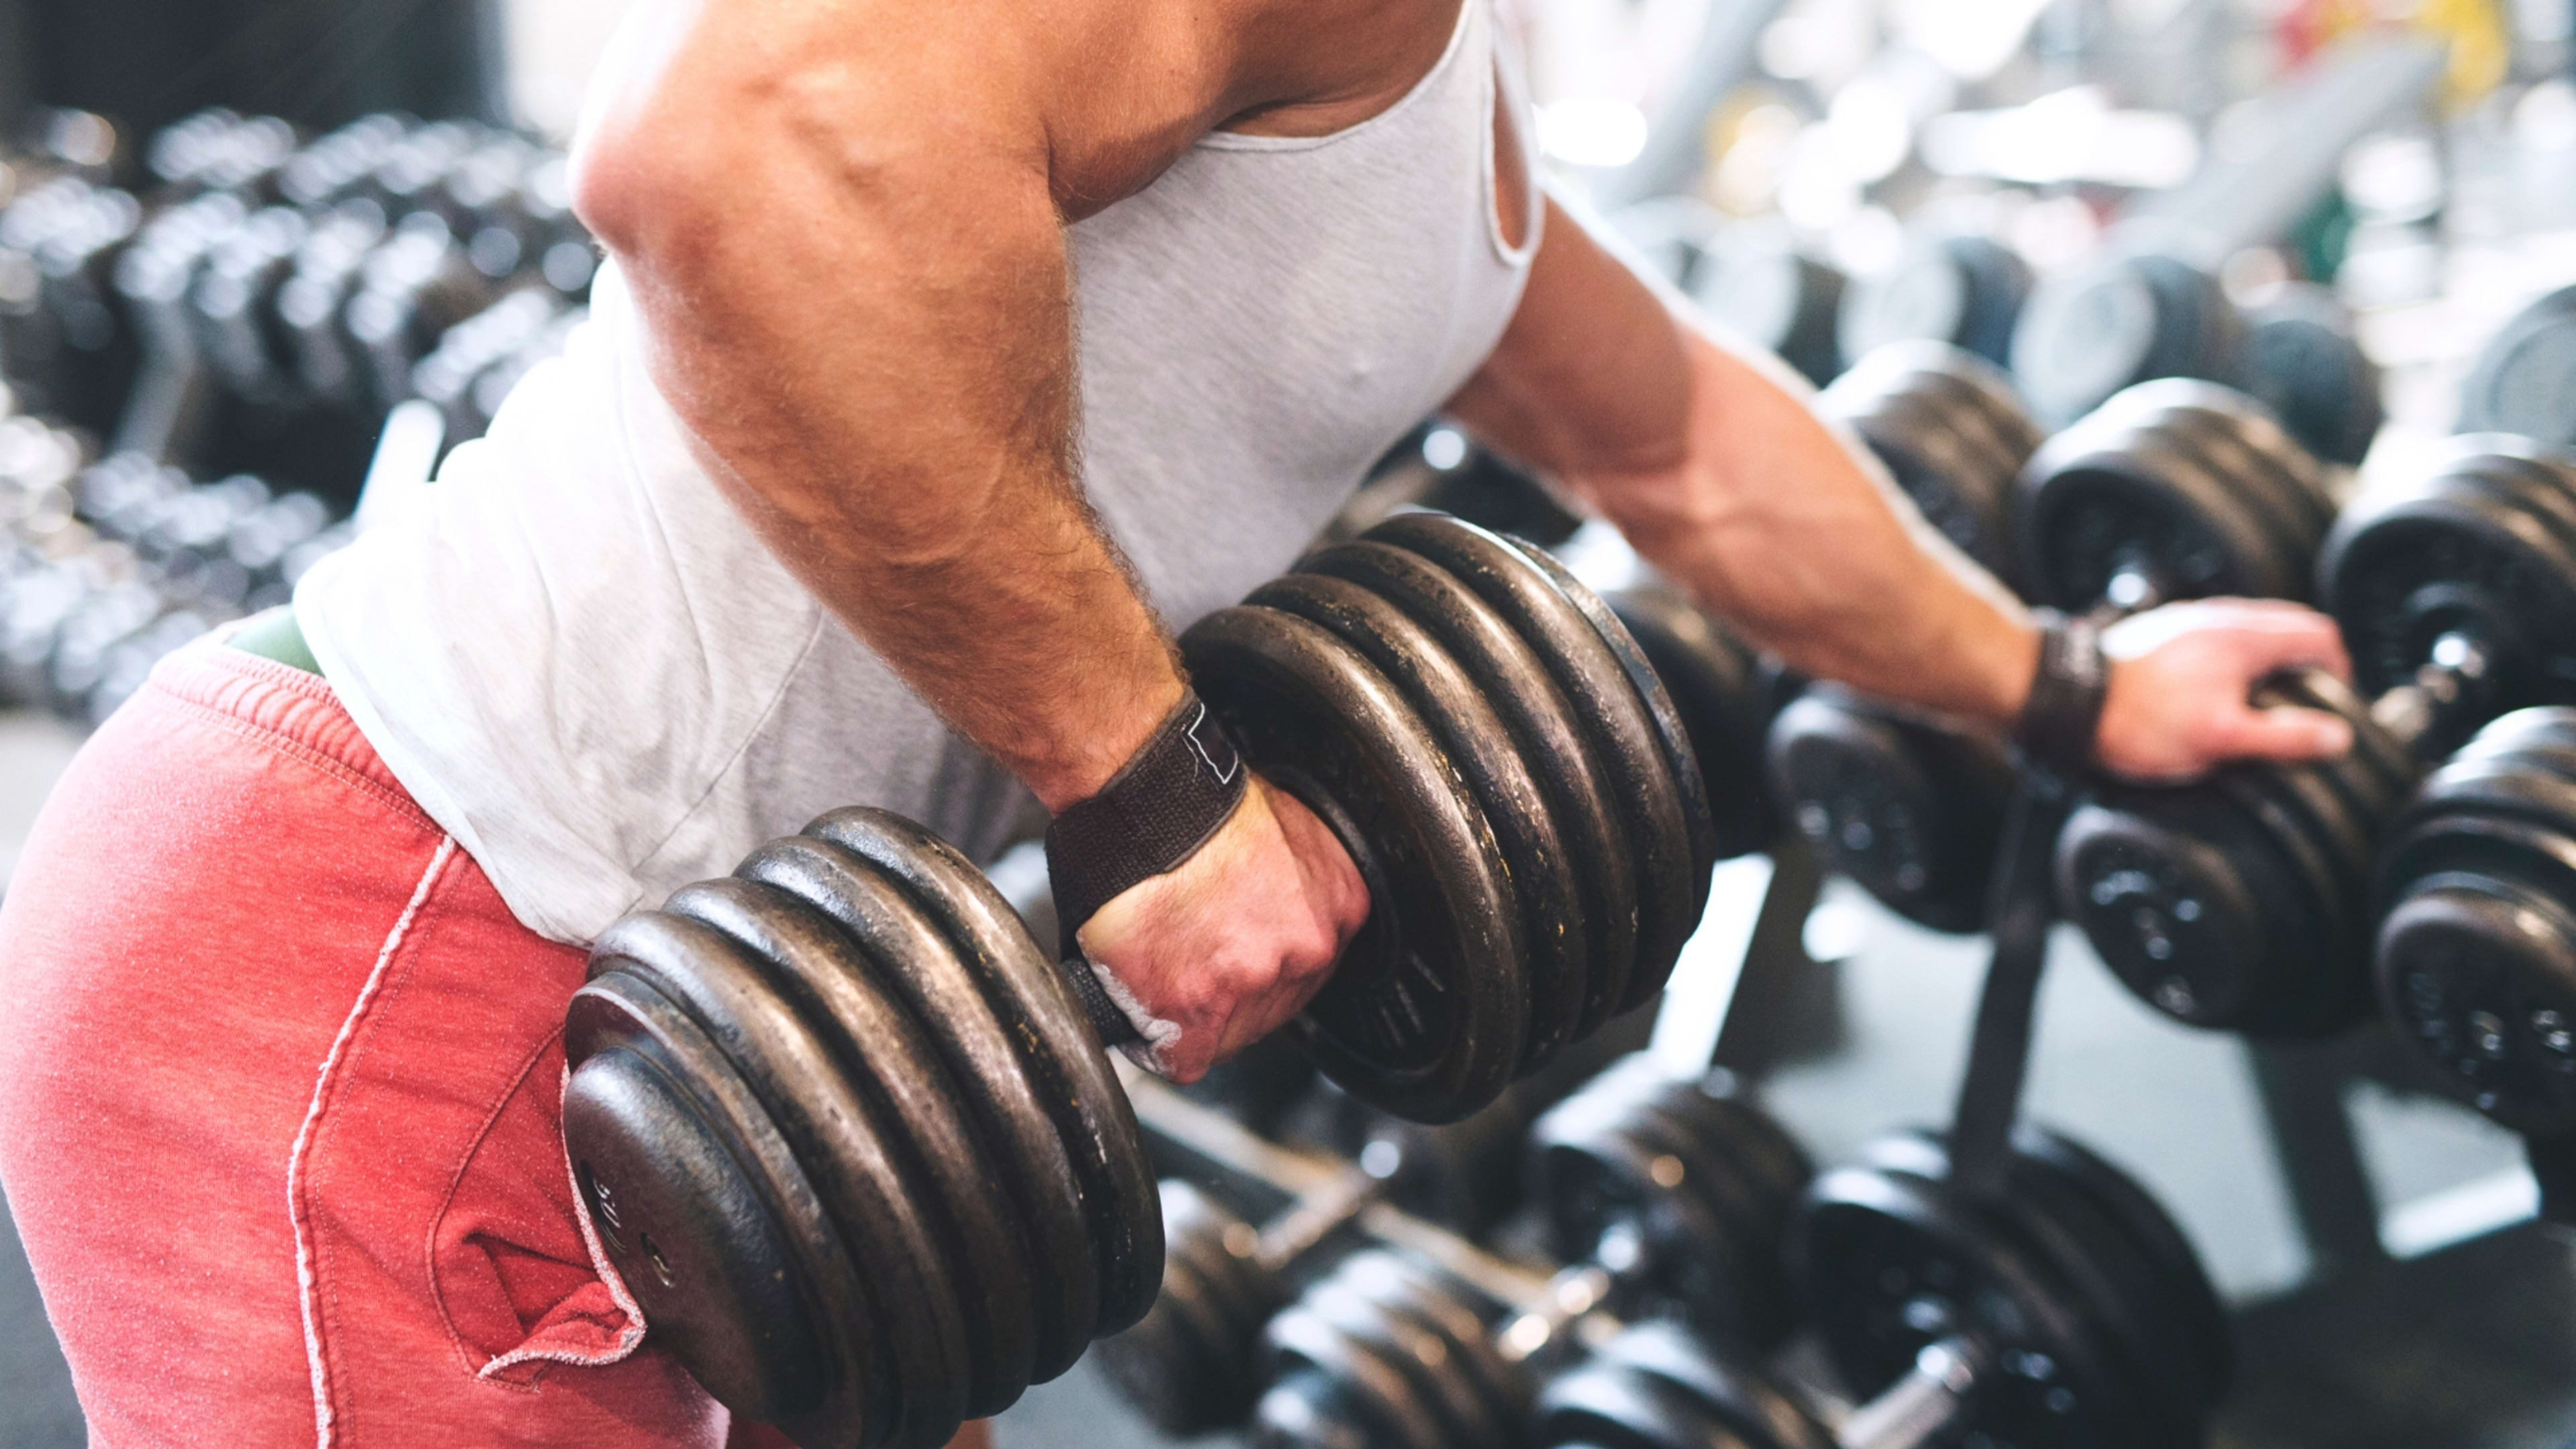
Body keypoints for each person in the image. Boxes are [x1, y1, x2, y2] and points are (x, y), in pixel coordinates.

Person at [0, 0, 2354, 1443]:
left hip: (787, 1045)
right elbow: (724, 142)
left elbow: (1689, 450)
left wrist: (2064, 689)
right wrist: (1150, 788)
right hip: (402, 911)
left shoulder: (1465, 116)